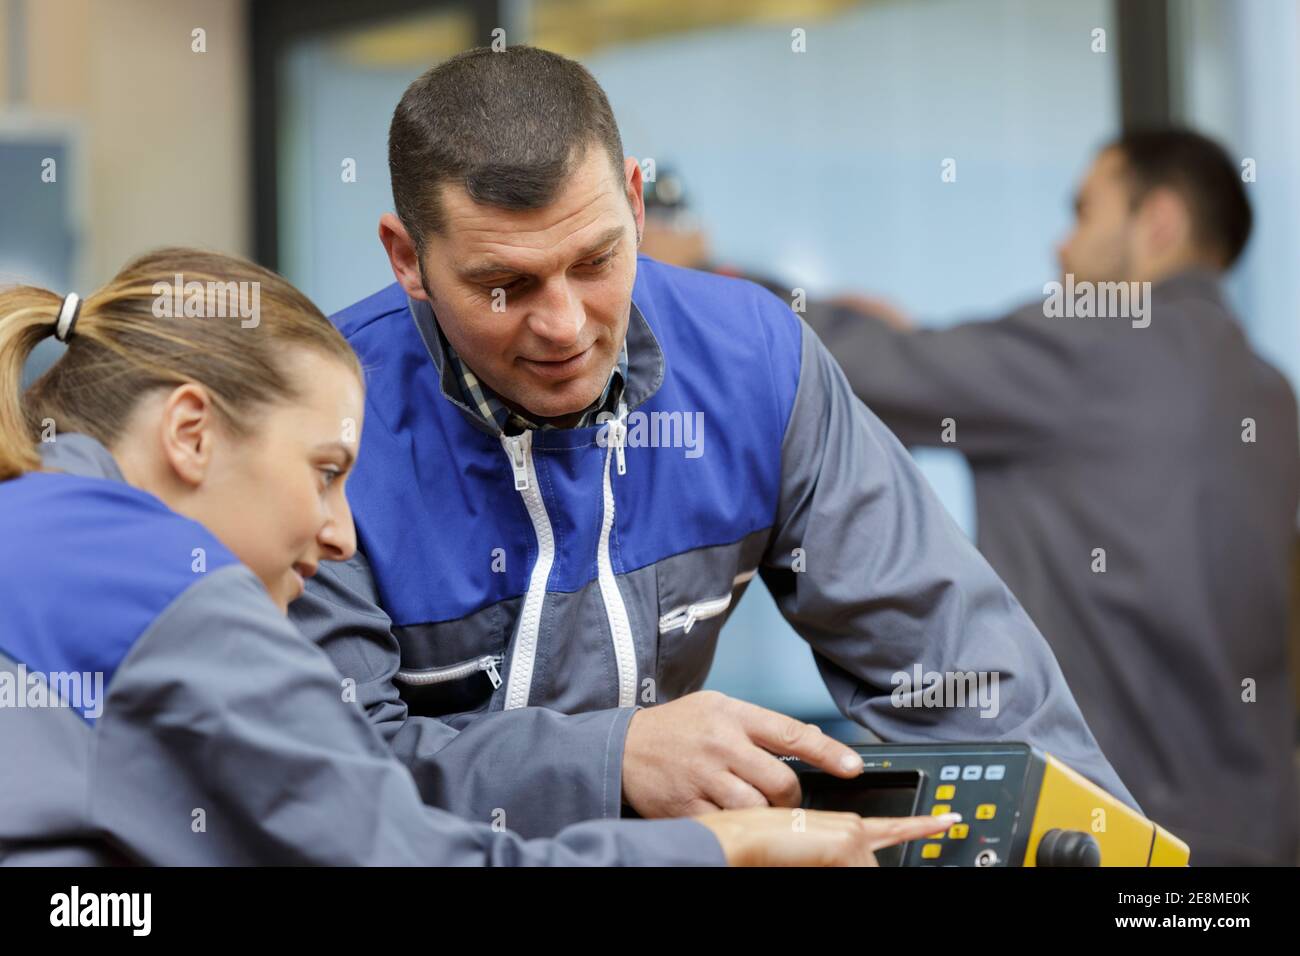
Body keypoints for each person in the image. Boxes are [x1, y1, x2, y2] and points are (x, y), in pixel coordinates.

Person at [291, 44, 1138, 840]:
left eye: (595, 261)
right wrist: (613, 756)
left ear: (632, 200)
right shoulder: (319, 425)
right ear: (408, 259)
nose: (563, 326)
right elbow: (327, 781)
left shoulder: (754, 363)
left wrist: (1117, 863)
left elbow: (958, 668)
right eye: (503, 286)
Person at [0, 247, 955, 865]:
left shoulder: (32, 534)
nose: (340, 533)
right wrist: (727, 849)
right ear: (192, 434)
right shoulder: (162, 587)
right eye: (325, 471)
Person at [808, 129, 1300, 865]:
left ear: (1157, 222)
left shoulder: (1099, 344)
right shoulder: (1269, 392)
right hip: (1261, 840)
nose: (1063, 249)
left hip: (1111, 838)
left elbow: (862, 371)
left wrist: (713, 280)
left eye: (1084, 212)